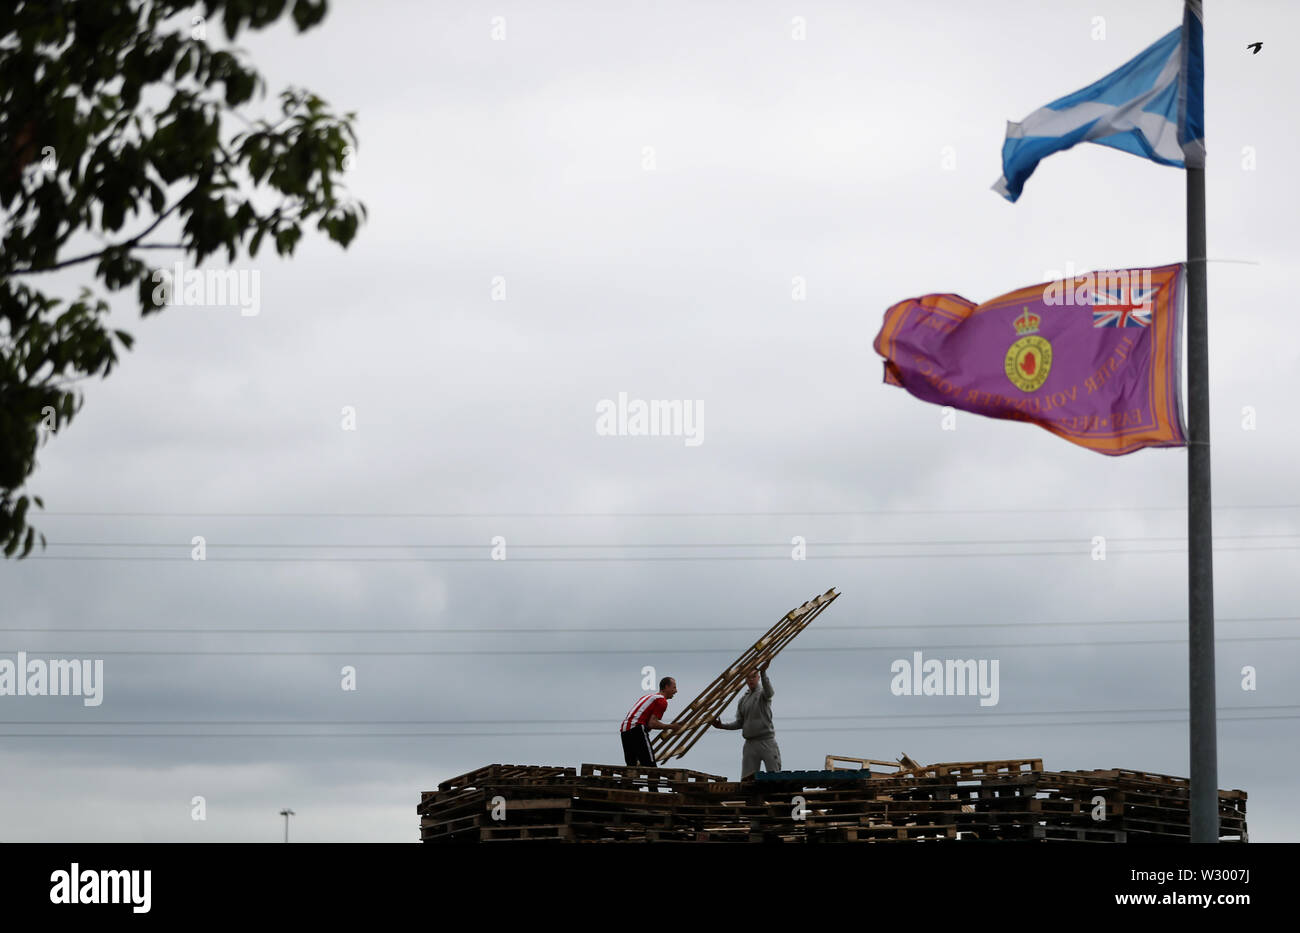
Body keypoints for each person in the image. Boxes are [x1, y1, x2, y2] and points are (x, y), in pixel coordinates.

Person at [710, 655, 780, 779]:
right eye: (748, 677)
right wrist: (722, 726)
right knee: (747, 779)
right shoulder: (743, 699)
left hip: (766, 740)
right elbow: (740, 723)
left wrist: (763, 672)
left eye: (753, 676)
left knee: (774, 776)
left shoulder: (762, 695)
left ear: (758, 677)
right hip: (750, 743)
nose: (751, 679)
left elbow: (770, 692)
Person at [619, 676, 684, 766]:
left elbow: (646, 721)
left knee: (631, 767)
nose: (676, 691)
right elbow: (652, 723)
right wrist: (671, 726)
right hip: (636, 729)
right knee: (650, 766)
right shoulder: (661, 701)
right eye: (674, 688)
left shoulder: (649, 697)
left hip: (624, 730)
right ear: (666, 687)